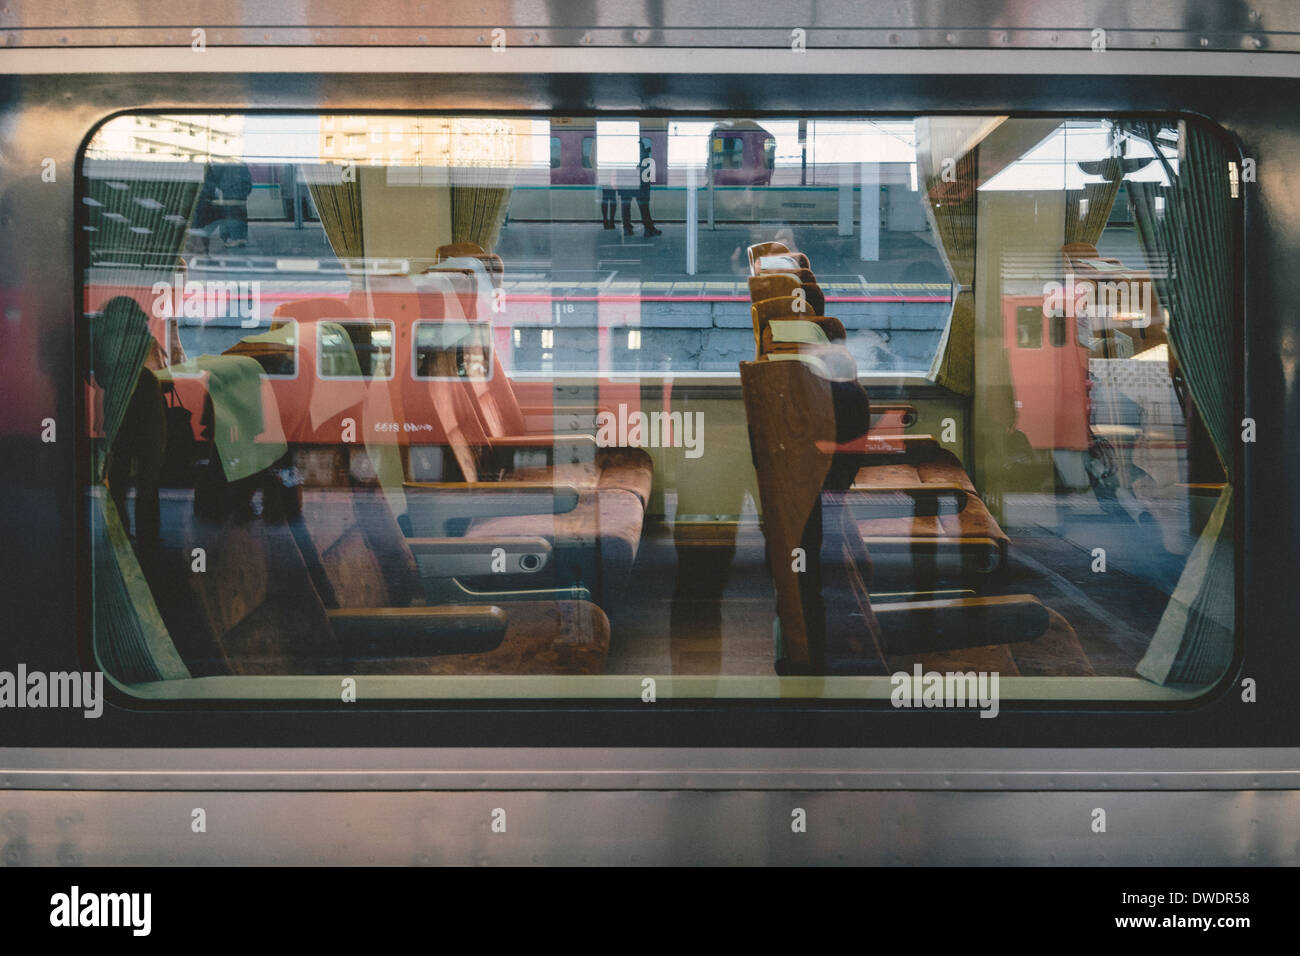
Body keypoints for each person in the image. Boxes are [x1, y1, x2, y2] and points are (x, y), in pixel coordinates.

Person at [620, 141, 661, 237]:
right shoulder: (639, 144)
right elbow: (644, 163)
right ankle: (648, 228)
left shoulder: (622, 145)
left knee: (625, 204)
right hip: (639, 181)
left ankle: (627, 228)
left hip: (626, 180)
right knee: (643, 205)